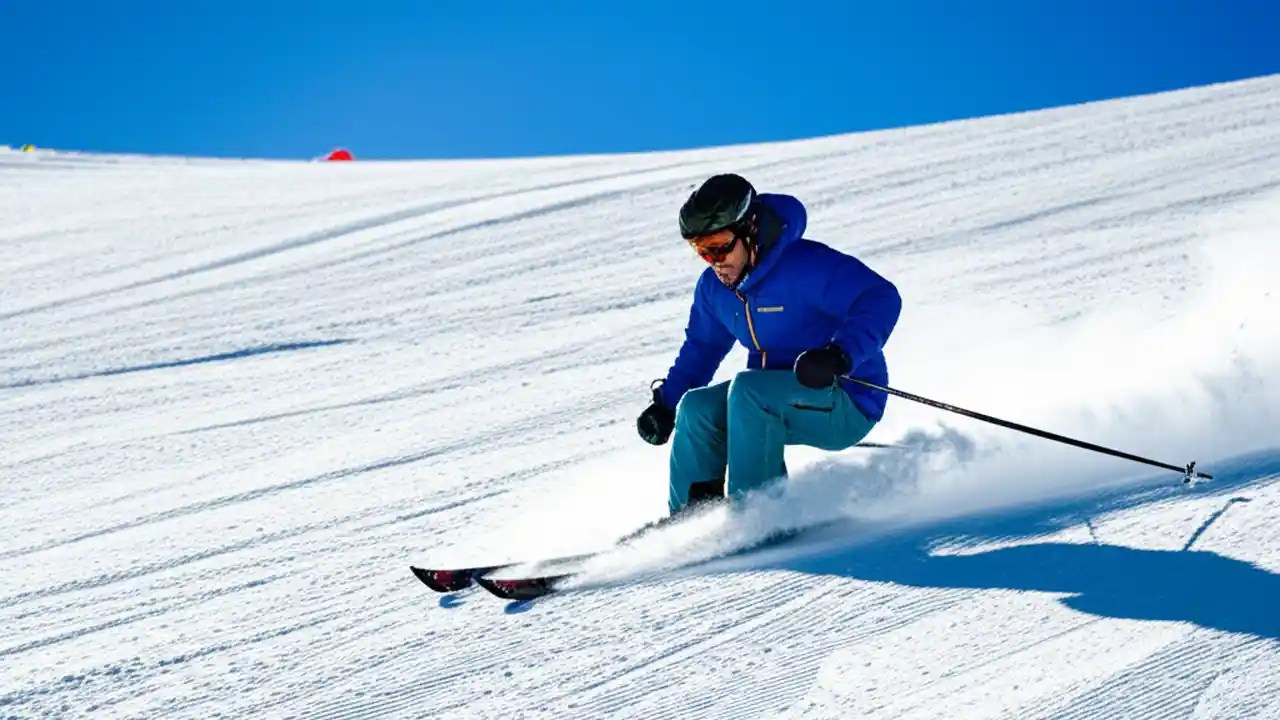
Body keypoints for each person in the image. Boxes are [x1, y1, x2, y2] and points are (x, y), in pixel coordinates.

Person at [636, 173, 902, 516]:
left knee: (749, 391)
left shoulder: (804, 266)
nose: (714, 260)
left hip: (845, 398)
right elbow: (701, 349)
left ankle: (758, 516)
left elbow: (880, 297)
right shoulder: (714, 290)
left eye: (719, 244)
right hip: (769, 404)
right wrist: (666, 405)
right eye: (702, 250)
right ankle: (692, 518)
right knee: (697, 409)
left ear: (749, 230)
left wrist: (840, 355)